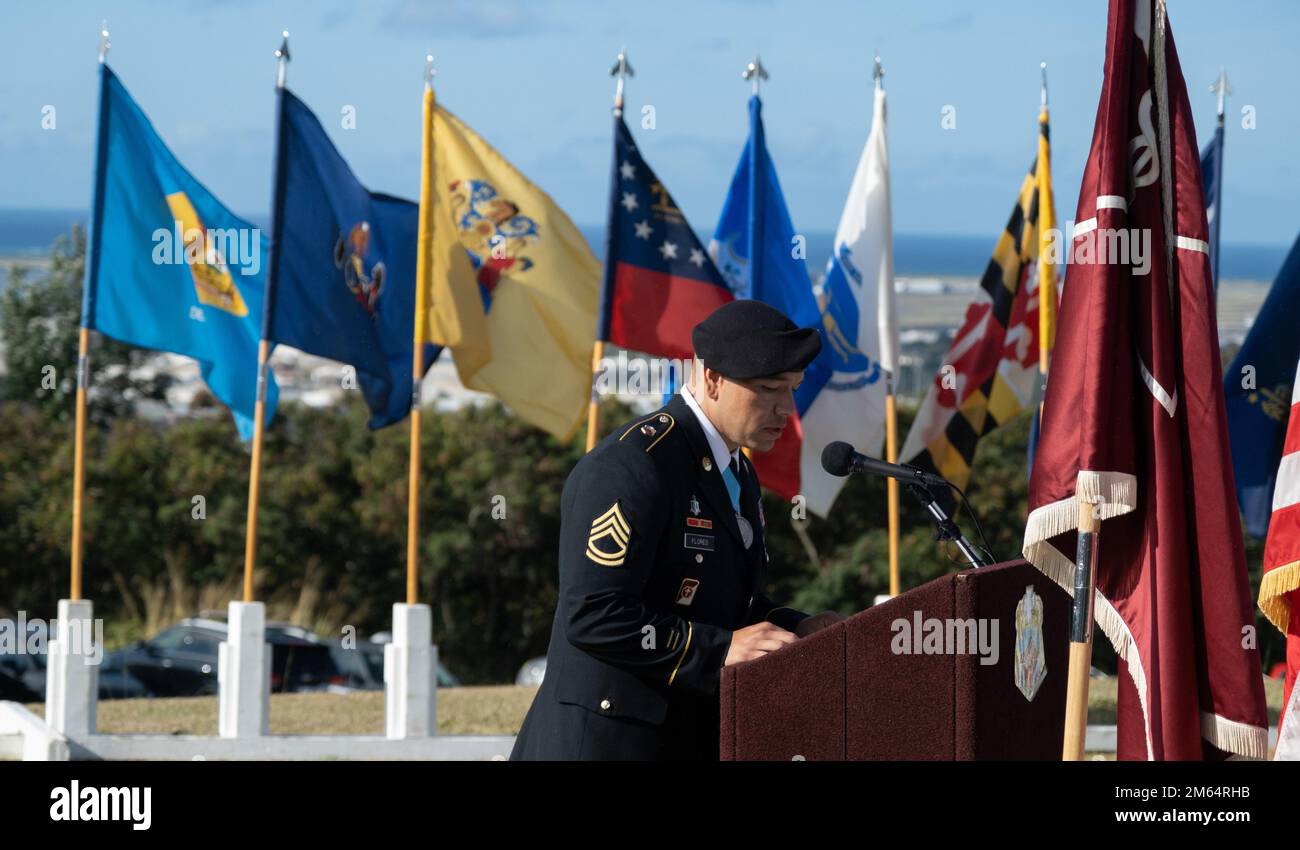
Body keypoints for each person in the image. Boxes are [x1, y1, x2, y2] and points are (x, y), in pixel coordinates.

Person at [511, 300, 840, 761]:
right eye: (769, 389)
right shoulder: (636, 465)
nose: (787, 408)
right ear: (712, 380)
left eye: (793, 389)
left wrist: (795, 627)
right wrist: (720, 648)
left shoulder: (736, 470)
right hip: (606, 743)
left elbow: (719, 601)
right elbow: (593, 613)